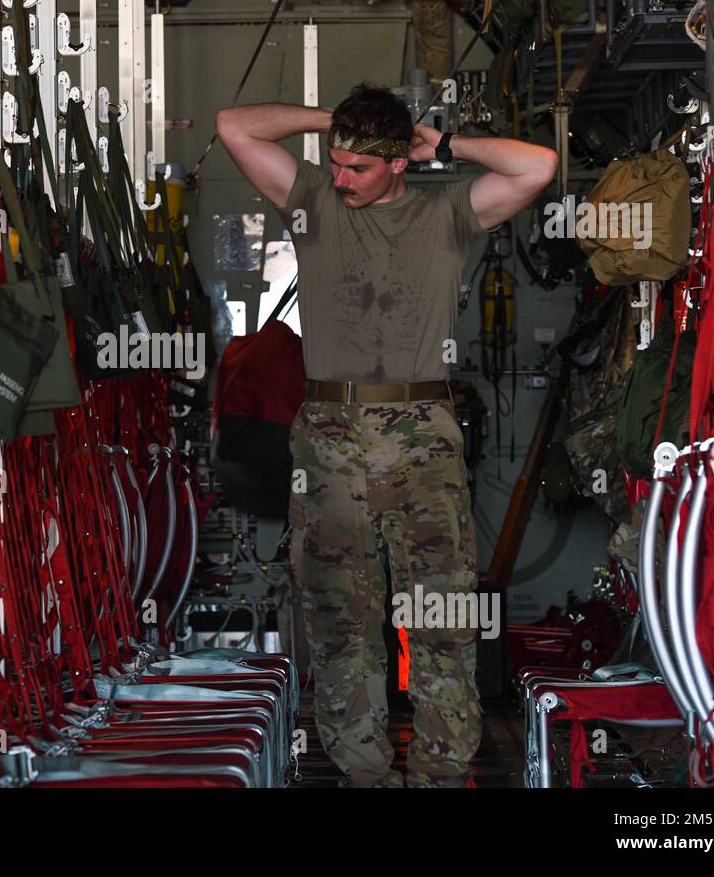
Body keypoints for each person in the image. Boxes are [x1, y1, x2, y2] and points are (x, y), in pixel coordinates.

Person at [215, 84, 555, 787]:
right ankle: (364, 774)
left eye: (358, 167)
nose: (340, 177)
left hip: (422, 432)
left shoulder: (448, 212)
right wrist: (330, 123)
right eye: (334, 161)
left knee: (441, 614)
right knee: (340, 614)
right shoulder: (312, 199)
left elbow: (539, 168)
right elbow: (235, 125)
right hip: (328, 433)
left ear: (399, 162)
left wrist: (446, 142)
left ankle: (439, 774)